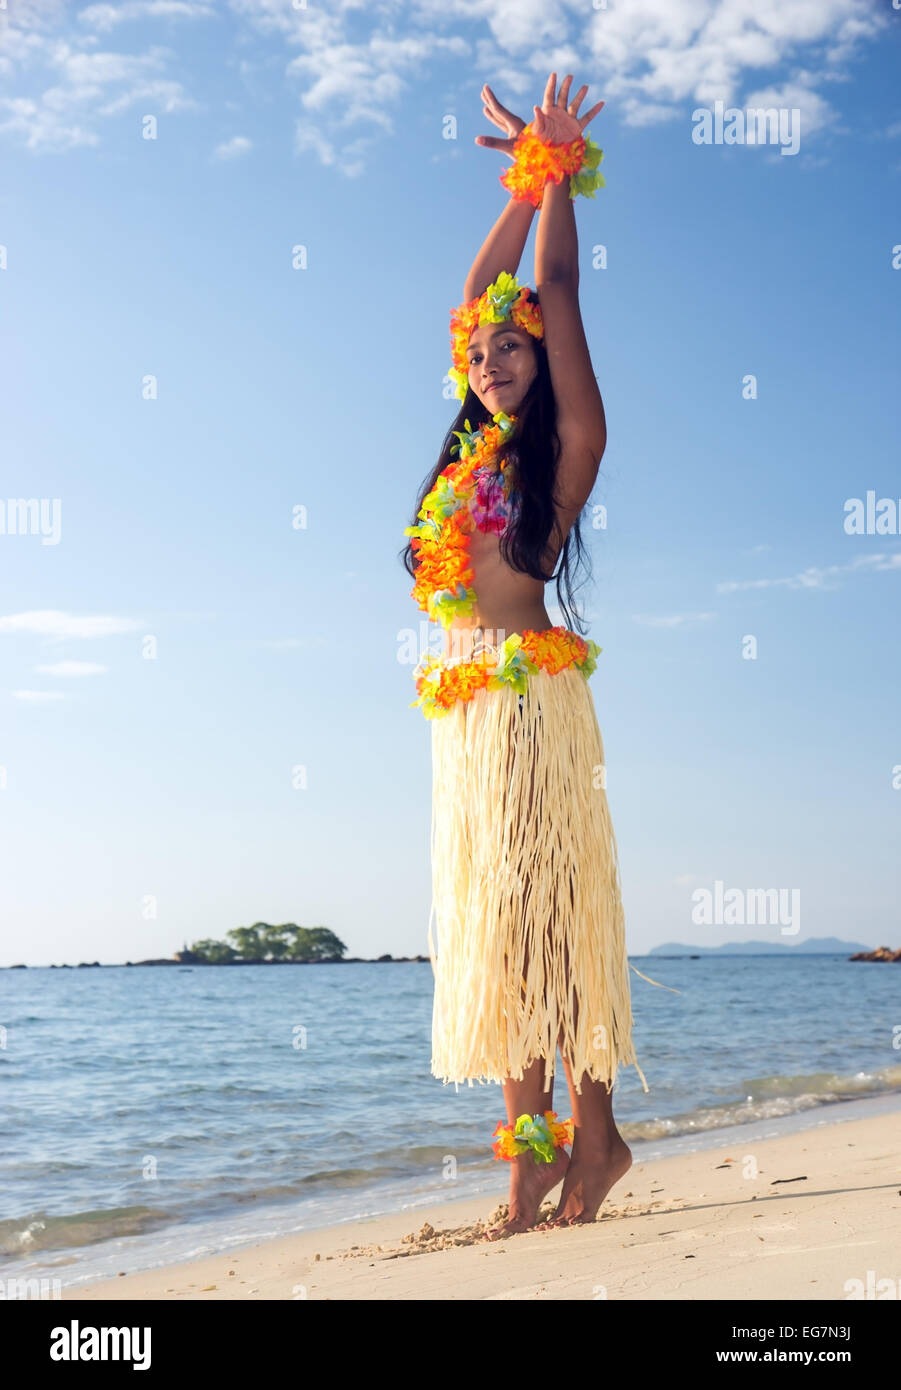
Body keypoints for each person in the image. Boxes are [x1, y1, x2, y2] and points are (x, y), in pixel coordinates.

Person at [402, 73, 650, 1237]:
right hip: (463, 726)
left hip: (533, 715)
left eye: (516, 346)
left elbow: (551, 283)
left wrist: (559, 183)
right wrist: (520, 178)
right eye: (485, 348)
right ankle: (533, 1157)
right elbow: (474, 286)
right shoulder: (463, 458)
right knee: (498, 938)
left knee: (553, 921)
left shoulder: (563, 453)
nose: (497, 353)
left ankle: (595, 1141)